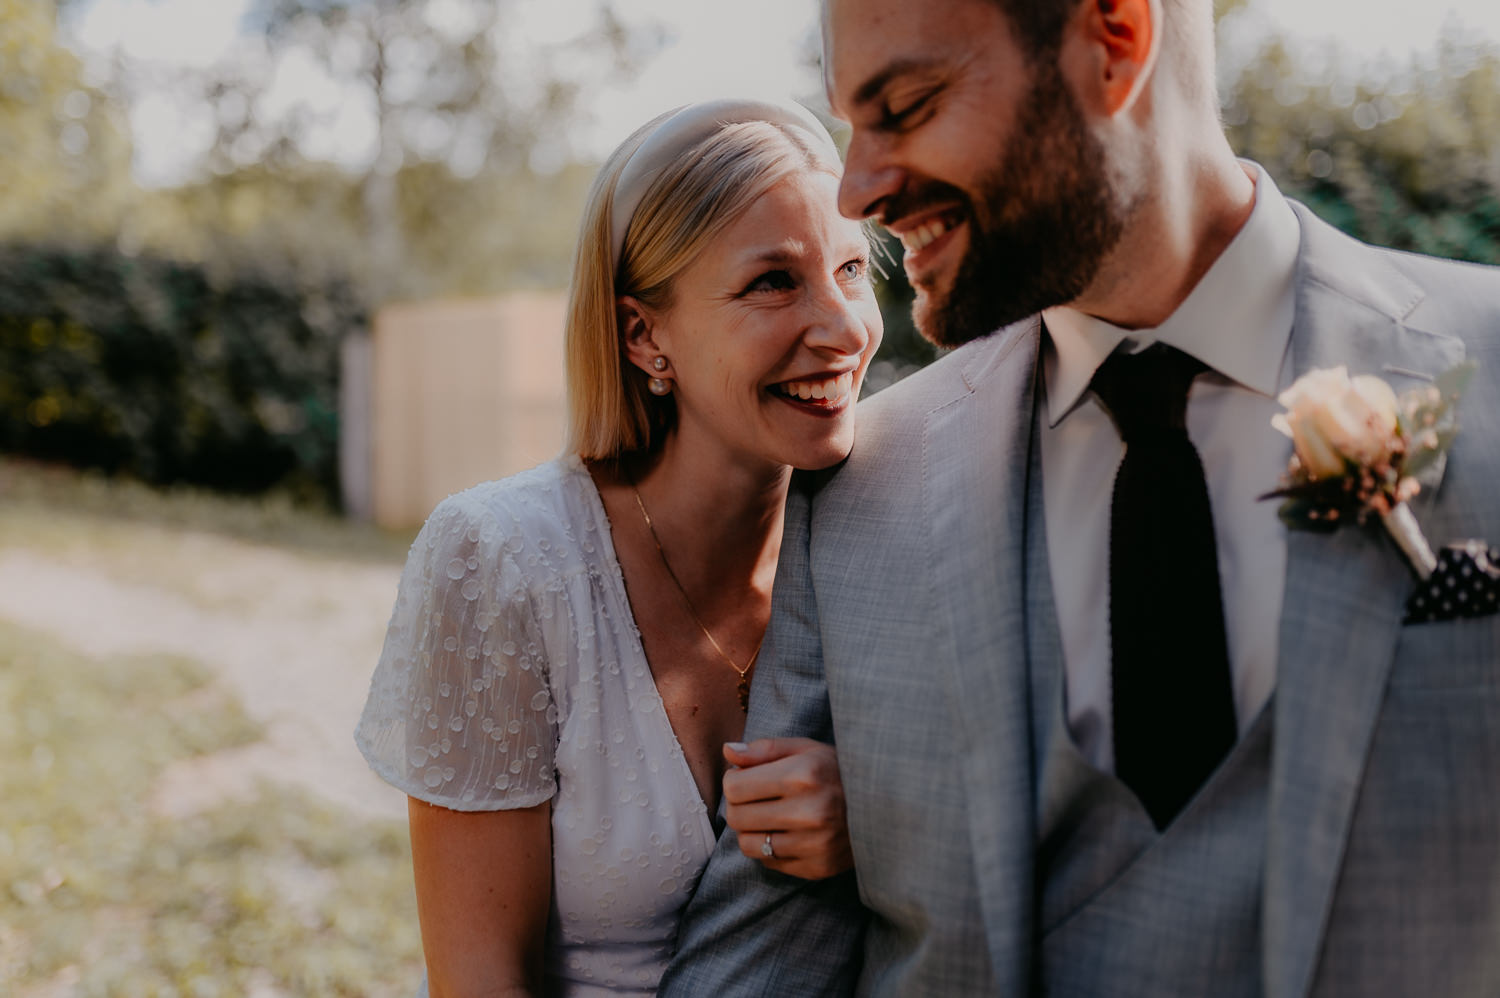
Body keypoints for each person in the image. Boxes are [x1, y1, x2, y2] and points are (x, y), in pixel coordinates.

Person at [661, 1, 1500, 995]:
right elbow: (762, 957)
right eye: (852, 126)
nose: (859, 189)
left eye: (908, 107)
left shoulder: (1483, 362)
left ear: (1116, 39)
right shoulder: (859, 485)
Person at [355, 97, 883, 997]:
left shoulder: (892, 531)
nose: (843, 329)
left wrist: (878, 821)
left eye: (852, 269)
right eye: (773, 282)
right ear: (644, 335)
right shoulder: (502, 561)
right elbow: (480, 980)